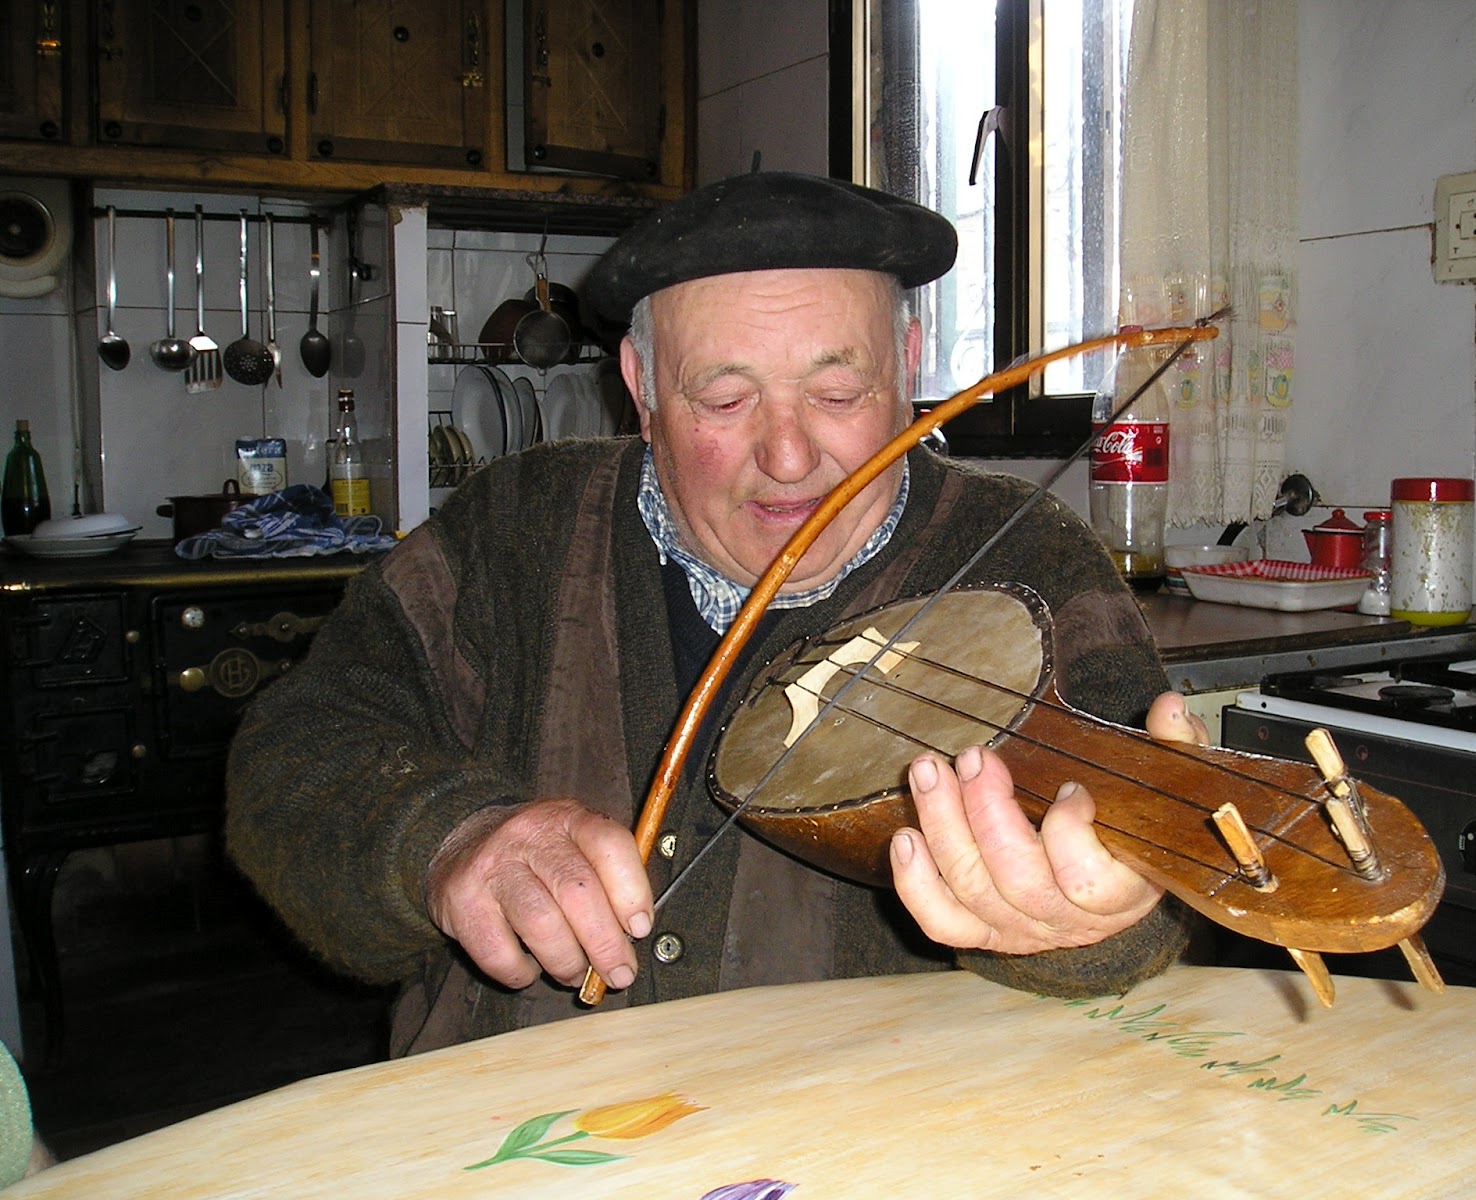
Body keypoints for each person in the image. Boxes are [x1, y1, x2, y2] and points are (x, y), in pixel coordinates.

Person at [225, 171, 1204, 1056]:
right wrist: (443, 837)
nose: (788, 456)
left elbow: (1138, 885)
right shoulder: (508, 526)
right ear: (642, 389)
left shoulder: (1030, 556)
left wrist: (1090, 930)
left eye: (837, 389)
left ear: (906, 362)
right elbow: (295, 752)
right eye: (725, 400)